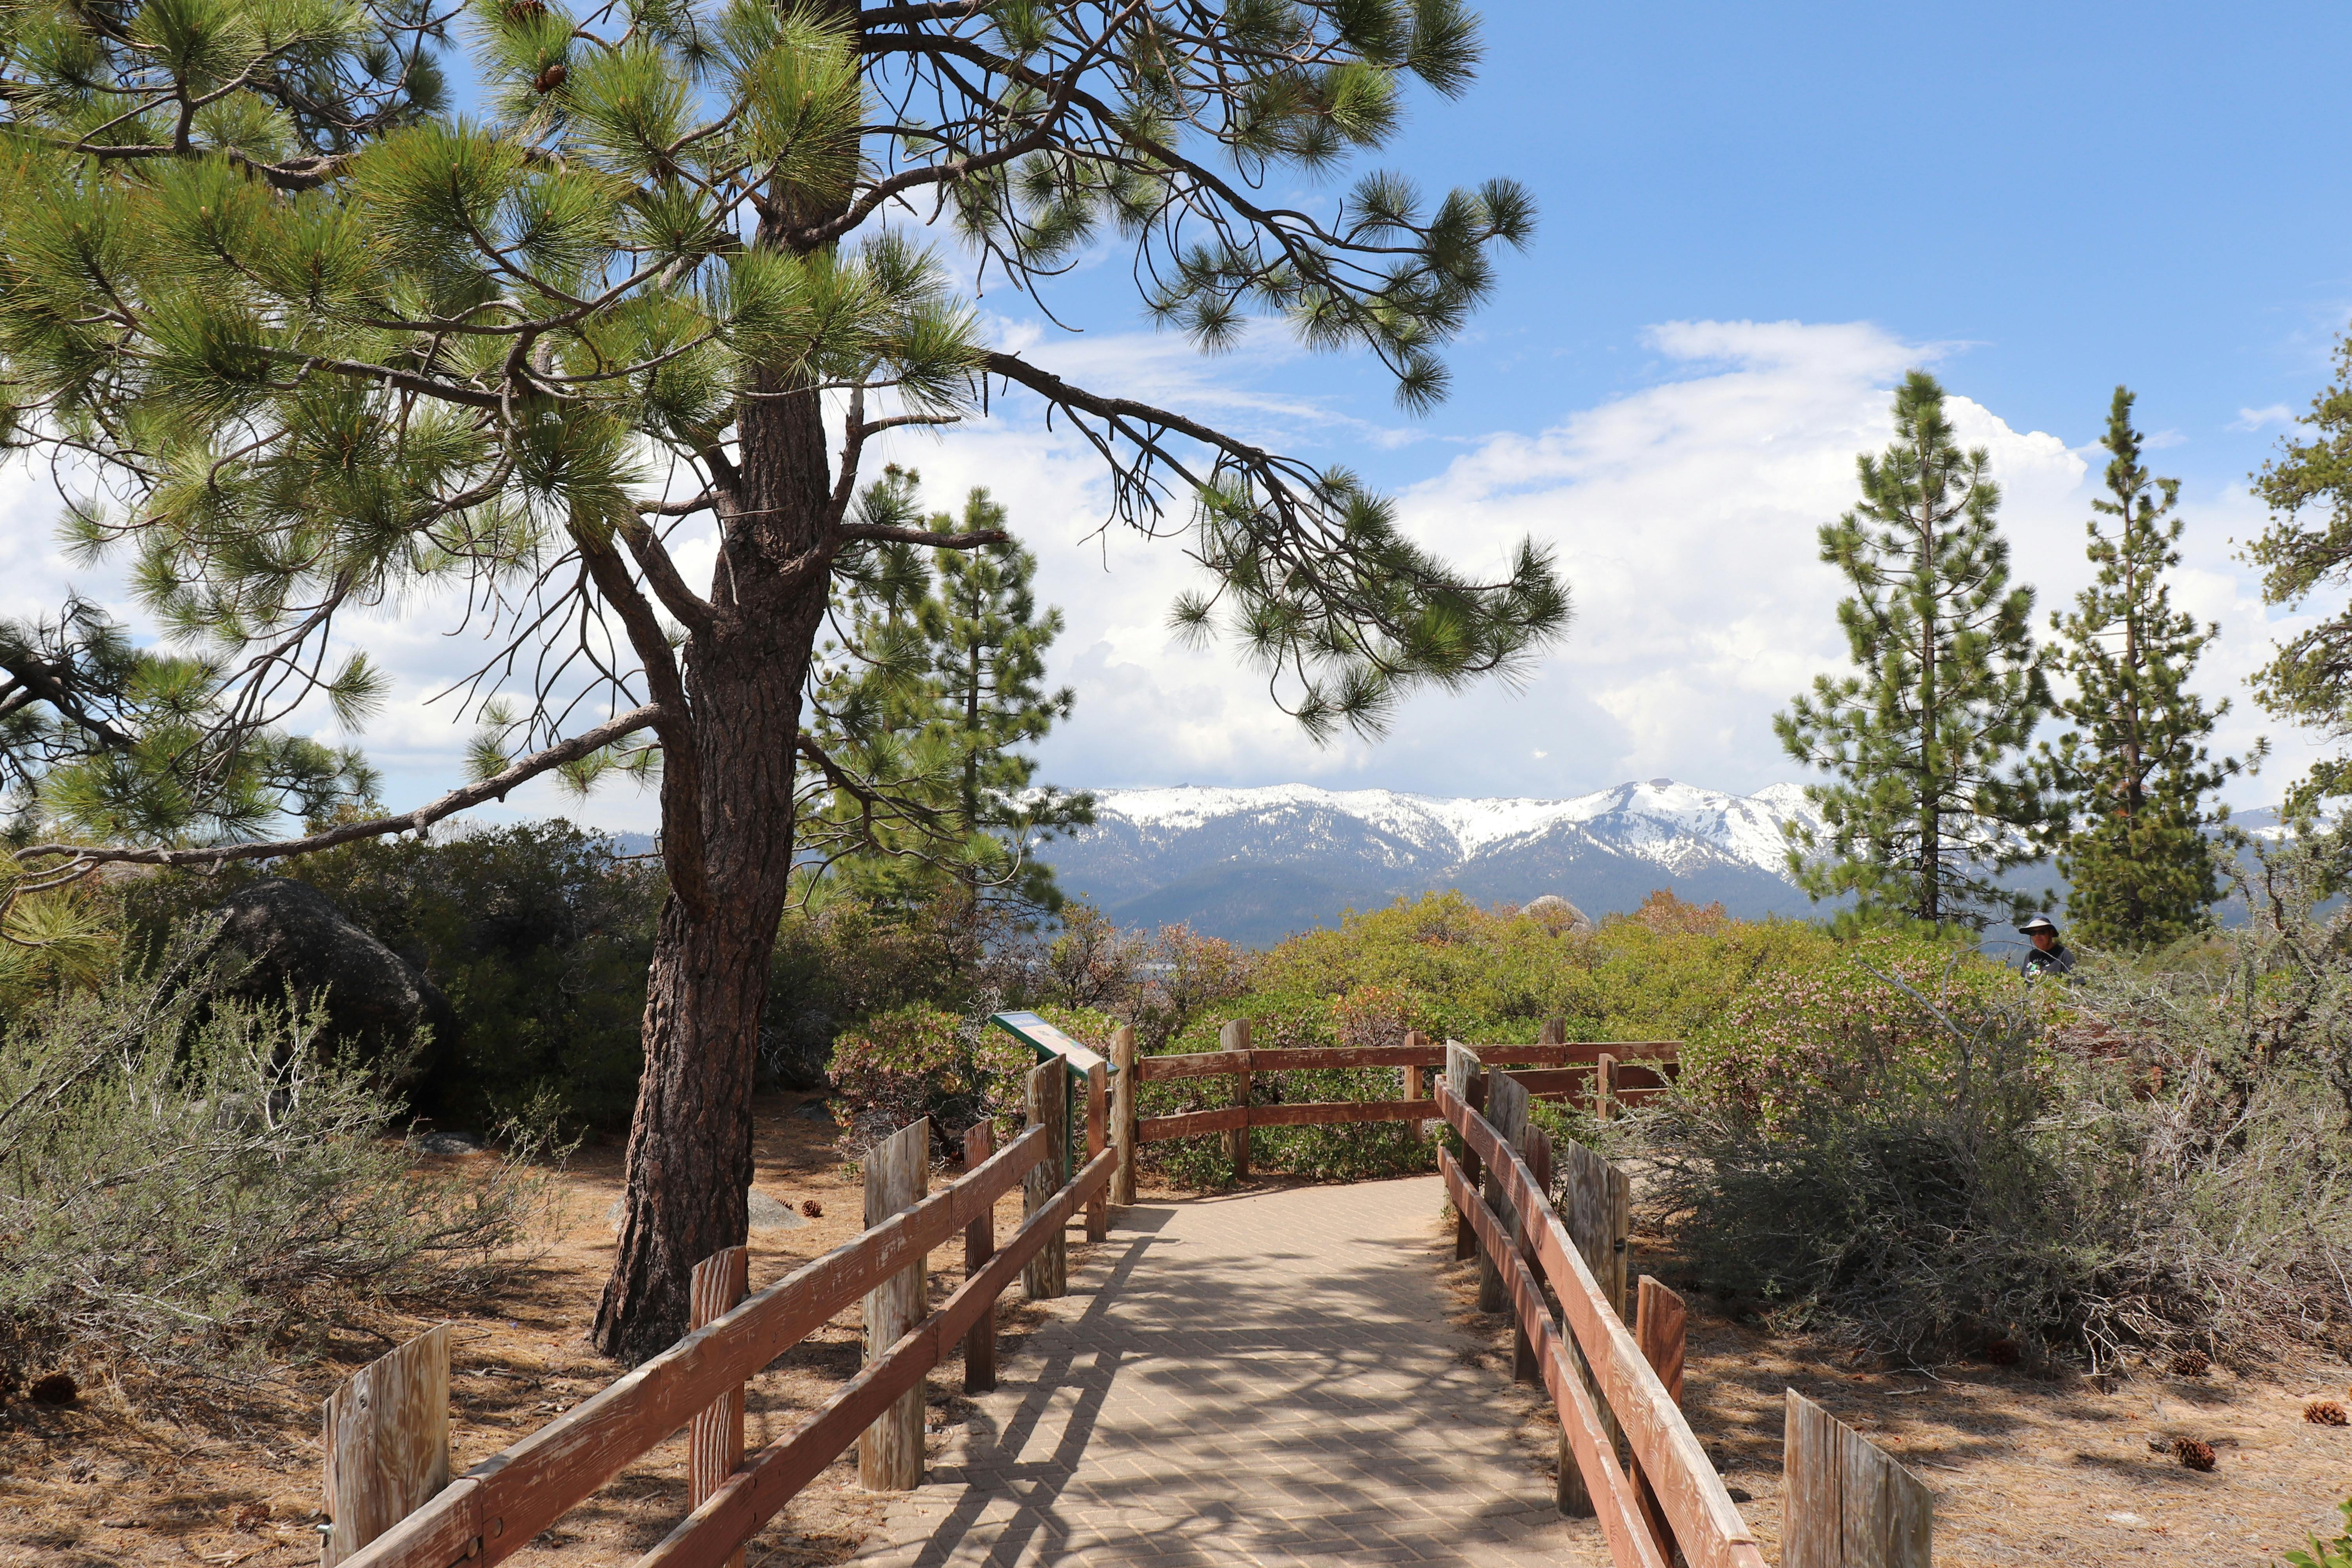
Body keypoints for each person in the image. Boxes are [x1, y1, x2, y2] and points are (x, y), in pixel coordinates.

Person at [2018, 914, 2075, 978]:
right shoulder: (2030, 956)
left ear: (2051, 933)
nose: (2037, 936)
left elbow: (2077, 984)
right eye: (2033, 933)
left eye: (2042, 932)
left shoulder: (2064, 955)